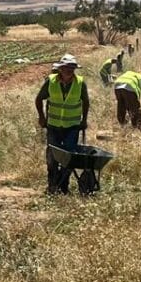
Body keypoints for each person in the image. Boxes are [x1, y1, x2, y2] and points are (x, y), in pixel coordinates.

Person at [35, 54, 95, 196]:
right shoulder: (51, 82)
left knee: (68, 158)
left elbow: (85, 102)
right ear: (60, 69)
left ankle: (63, 186)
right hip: (53, 126)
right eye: (67, 68)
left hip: (72, 127)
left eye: (72, 68)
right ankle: (52, 185)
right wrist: (42, 117)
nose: (70, 70)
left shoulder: (80, 83)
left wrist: (84, 120)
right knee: (52, 158)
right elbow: (38, 99)